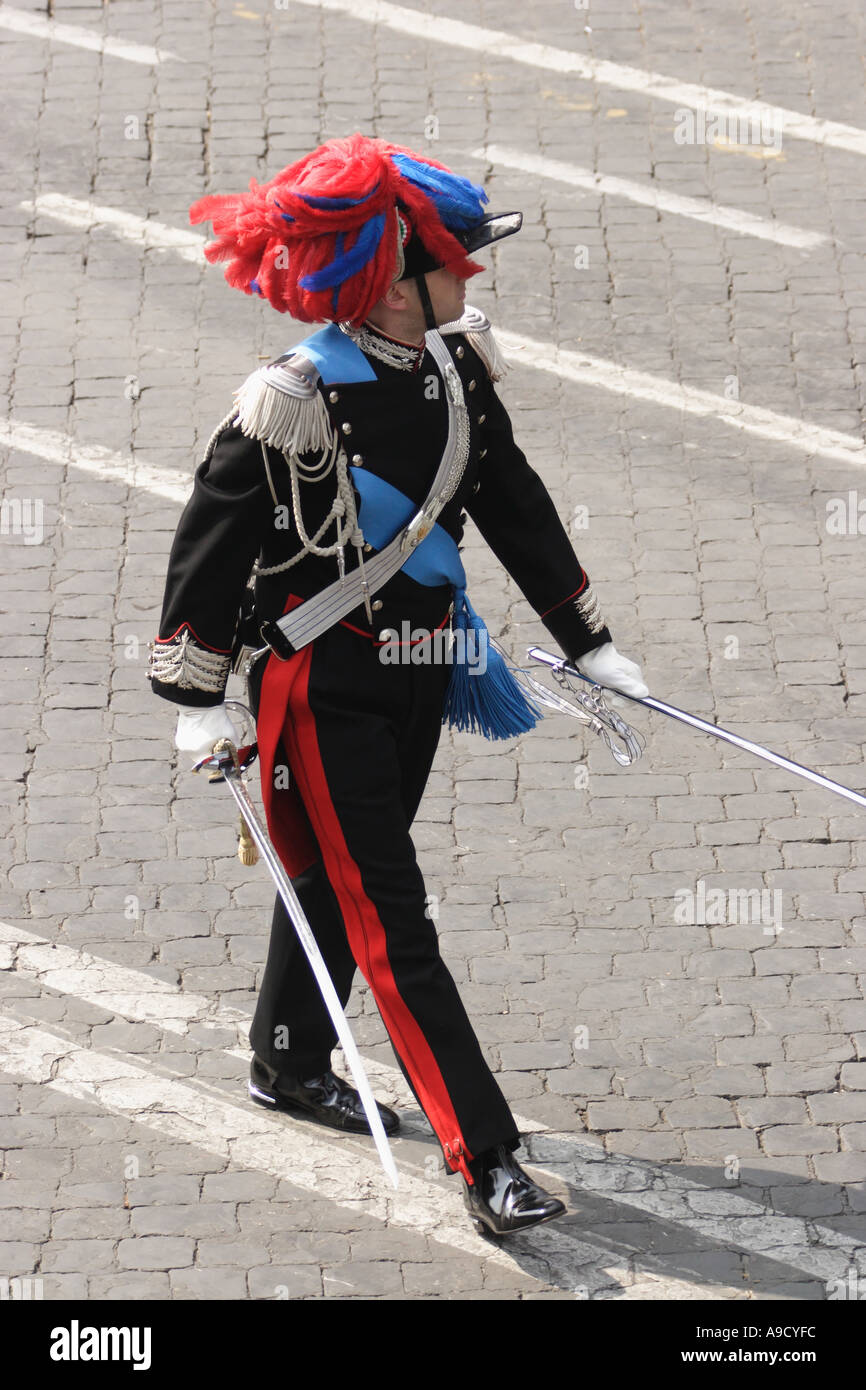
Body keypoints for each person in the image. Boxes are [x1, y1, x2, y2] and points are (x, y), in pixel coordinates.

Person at [147, 134, 648, 1236]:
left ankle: (284, 1053)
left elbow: (510, 496)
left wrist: (585, 637)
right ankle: (487, 1156)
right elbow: (210, 545)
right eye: (449, 263)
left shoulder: (456, 368)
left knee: (336, 876)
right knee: (391, 914)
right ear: (386, 276)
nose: (468, 277)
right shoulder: (290, 399)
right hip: (321, 686)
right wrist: (199, 696)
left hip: (426, 668)